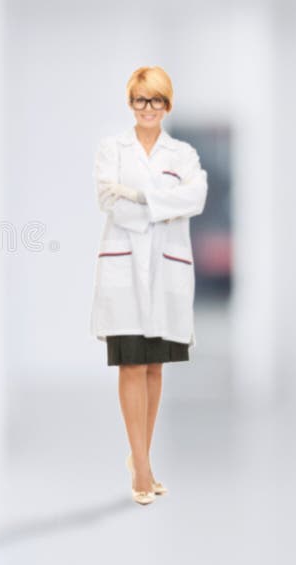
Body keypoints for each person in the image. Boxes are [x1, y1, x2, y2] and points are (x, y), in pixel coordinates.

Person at [90, 66, 207, 505]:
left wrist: (139, 196)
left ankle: (142, 455)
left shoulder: (183, 155)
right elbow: (108, 201)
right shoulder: (111, 149)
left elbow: (195, 199)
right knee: (131, 365)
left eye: (156, 101)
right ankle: (141, 468)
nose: (148, 109)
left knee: (155, 367)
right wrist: (163, 205)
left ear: (167, 105)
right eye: (141, 100)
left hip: (166, 272)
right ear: (131, 103)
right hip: (123, 272)